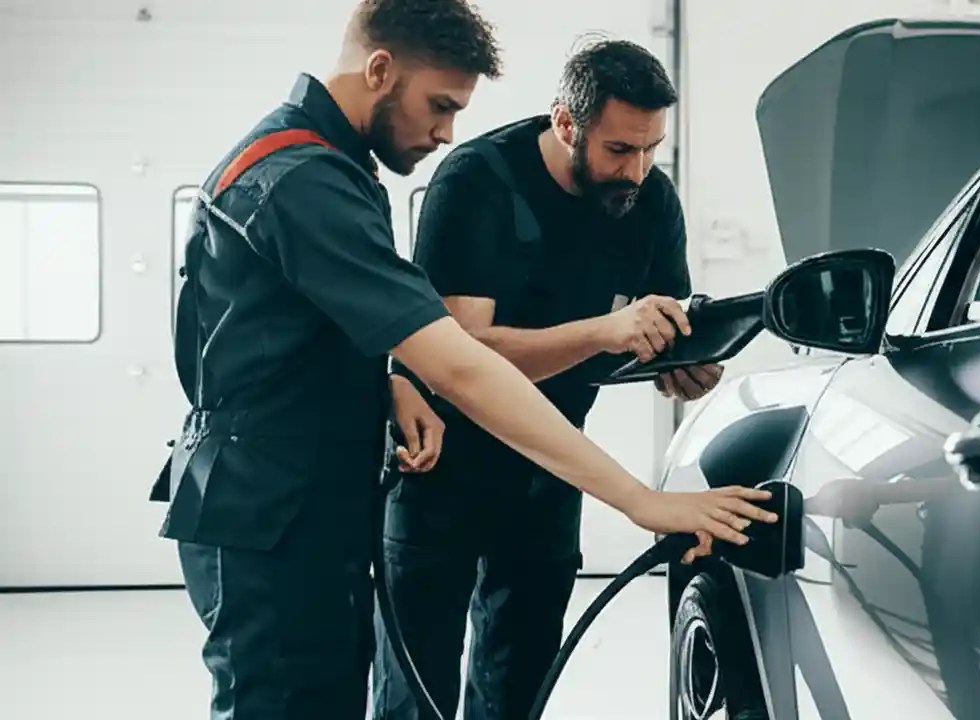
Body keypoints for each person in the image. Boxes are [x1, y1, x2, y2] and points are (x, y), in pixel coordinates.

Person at [153, 3, 775, 719]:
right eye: (440, 105)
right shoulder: (302, 179)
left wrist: (387, 383)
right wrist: (640, 500)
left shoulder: (335, 168)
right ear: (381, 69)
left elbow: (289, 333)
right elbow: (462, 362)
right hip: (273, 507)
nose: (447, 131)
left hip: (313, 498)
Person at [371, 38, 727, 720]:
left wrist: (676, 366)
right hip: (440, 468)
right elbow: (460, 361)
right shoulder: (475, 182)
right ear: (567, 124)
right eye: (621, 150)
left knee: (518, 683)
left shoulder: (649, 198)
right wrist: (604, 331)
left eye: (652, 148)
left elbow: (652, 332)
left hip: (550, 467)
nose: (639, 168)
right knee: (414, 696)